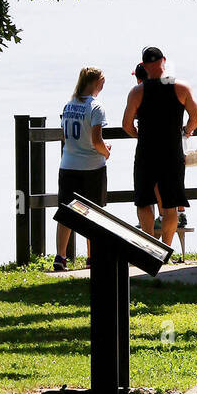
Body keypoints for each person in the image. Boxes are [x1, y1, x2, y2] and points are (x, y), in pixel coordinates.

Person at [122, 45, 197, 248]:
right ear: (163, 60)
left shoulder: (137, 92)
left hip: (147, 152)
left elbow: (126, 124)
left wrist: (138, 136)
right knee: (171, 203)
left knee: (144, 201)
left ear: (144, 65)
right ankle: (166, 247)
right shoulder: (180, 87)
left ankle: (149, 246)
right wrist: (187, 131)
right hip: (172, 153)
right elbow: (196, 117)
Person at [55, 67, 110, 270]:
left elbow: (66, 134)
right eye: (102, 82)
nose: (104, 85)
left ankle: (60, 257)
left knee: (67, 211)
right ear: (96, 83)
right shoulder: (96, 107)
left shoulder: (69, 105)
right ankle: (92, 256)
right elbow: (97, 140)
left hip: (68, 164)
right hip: (92, 167)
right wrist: (106, 152)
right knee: (93, 212)